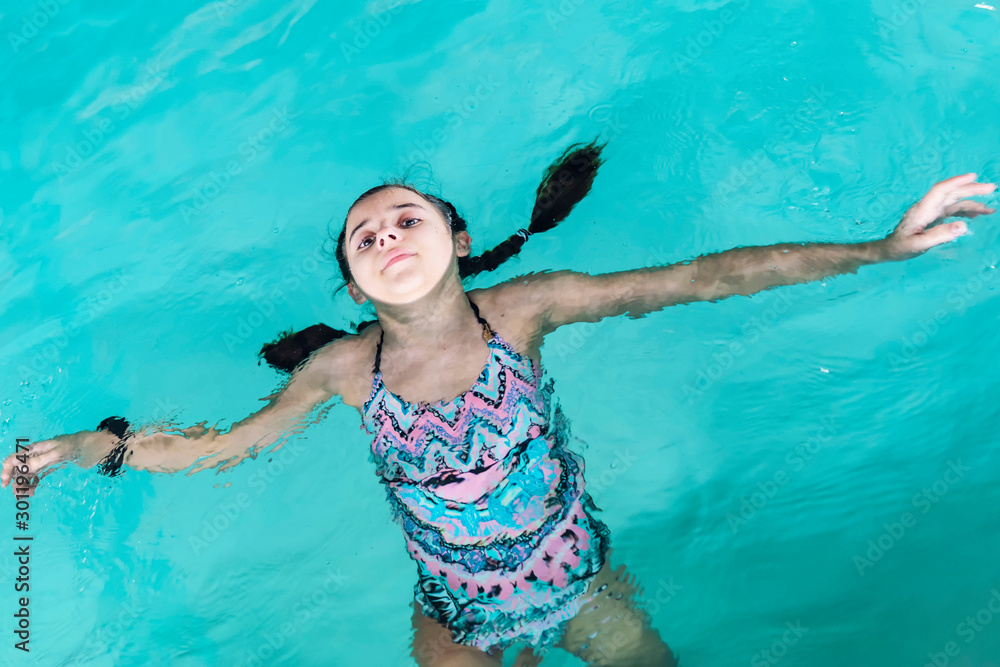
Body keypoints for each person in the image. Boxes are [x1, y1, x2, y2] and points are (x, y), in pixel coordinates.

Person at [2, 168, 994, 666]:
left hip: (575, 576)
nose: (387, 233)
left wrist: (877, 248)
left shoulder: (524, 309)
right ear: (353, 275)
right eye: (366, 235)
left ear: (457, 238)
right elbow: (223, 447)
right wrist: (86, 448)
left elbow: (702, 278)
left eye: (407, 219)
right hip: (454, 612)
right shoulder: (344, 367)